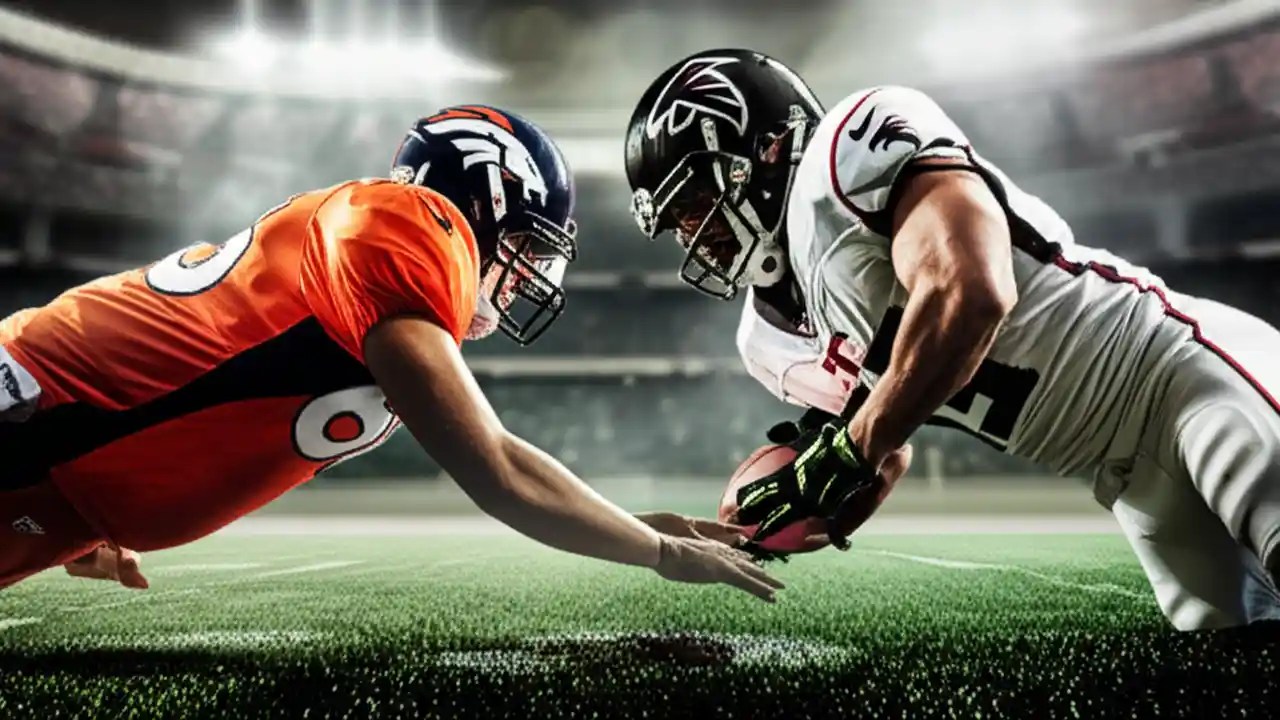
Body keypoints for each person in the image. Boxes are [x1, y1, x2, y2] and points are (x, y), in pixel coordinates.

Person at [0, 104, 782, 603]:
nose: (526, 277)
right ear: (484, 201)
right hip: (30, 415)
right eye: (527, 245)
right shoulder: (410, 224)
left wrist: (627, 523)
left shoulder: (385, 288)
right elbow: (497, 469)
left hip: (59, 485)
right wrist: (657, 552)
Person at [624, 49, 1280, 630]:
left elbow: (971, 294)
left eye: (694, 203)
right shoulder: (768, 340)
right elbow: (883, 446)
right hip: (1123, 478)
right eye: (676, 223)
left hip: (1178, 374)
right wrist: (788, 511)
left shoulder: (846, 151)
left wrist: (848, 452)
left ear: (766, 149)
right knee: (1227, 649)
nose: (691, 235)